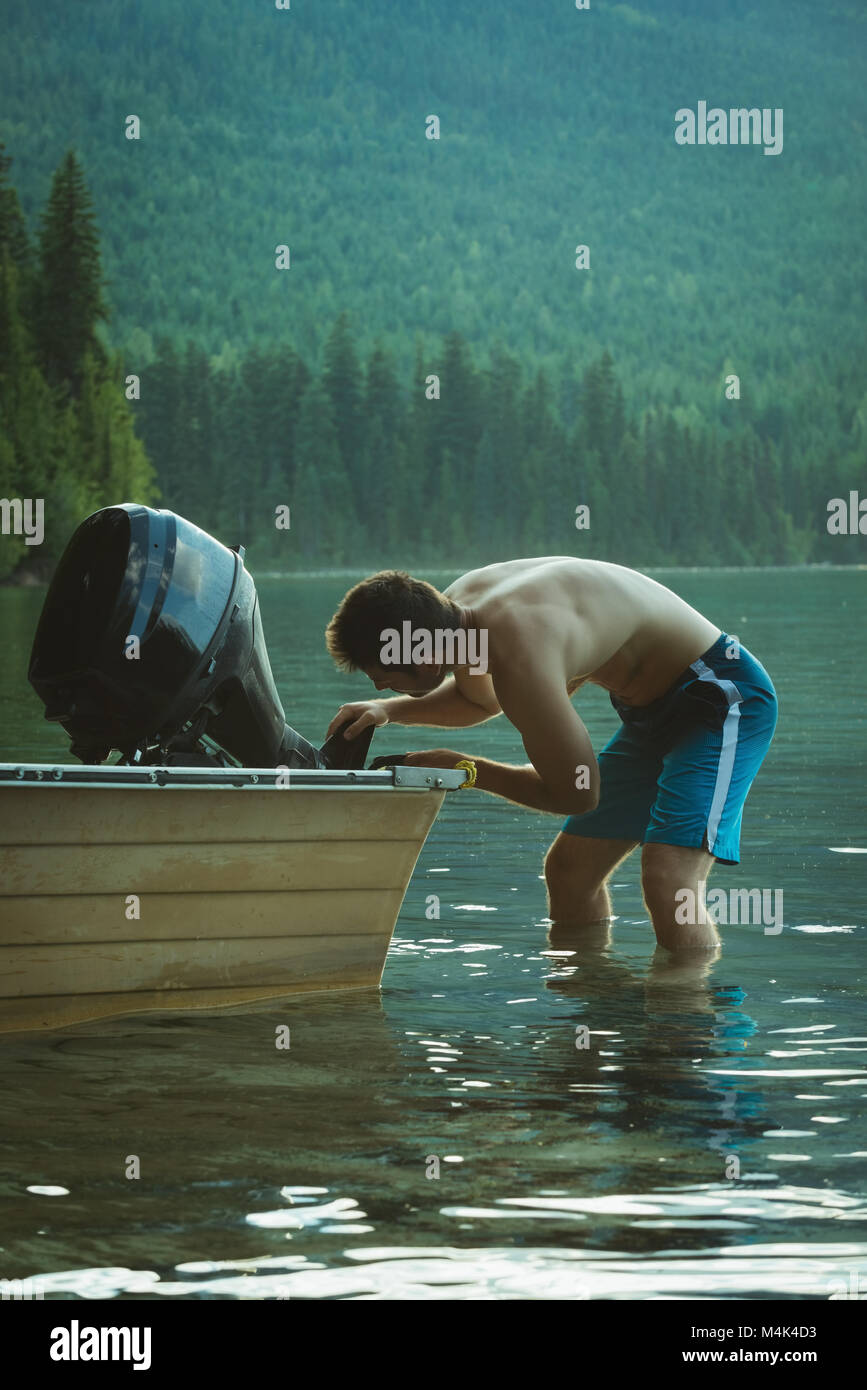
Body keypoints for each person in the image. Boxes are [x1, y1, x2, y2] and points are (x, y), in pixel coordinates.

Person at [325, 558, 777, 951]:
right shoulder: (455, 613)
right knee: (570, 872)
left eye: (379, 676)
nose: (378, 684)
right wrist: (388, 709)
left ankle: (687, 1030)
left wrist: (466, 770)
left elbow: (578, 794)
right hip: (651, 710)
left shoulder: (519, 649)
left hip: (721, 695)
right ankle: (592, 1003)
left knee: (669, 880)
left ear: (421, 654)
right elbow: (481, 701)